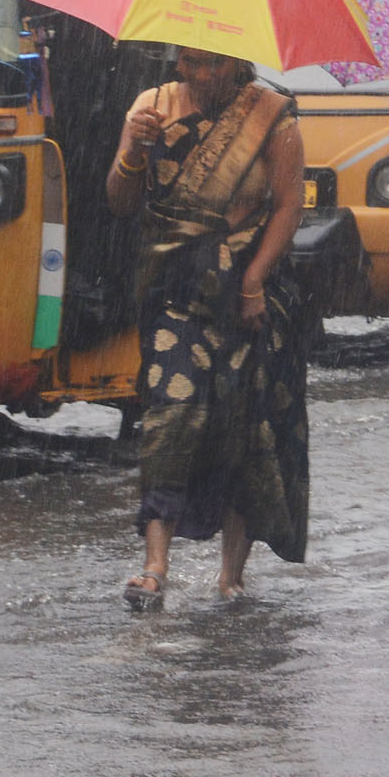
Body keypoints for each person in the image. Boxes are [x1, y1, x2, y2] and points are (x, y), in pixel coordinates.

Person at [108, 47, 309, 608]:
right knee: (170, 417)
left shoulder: (273, 114)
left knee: (241, 428)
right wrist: (133, 152)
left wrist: (255, 280)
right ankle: (154, 565)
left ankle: (231, 575)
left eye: (213, 64)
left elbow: (290, 207)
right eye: (190, 63)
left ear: (239, 64)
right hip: (174, 290)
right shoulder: (150, 107)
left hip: (246, 295)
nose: (200, 76)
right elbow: (119, 203)